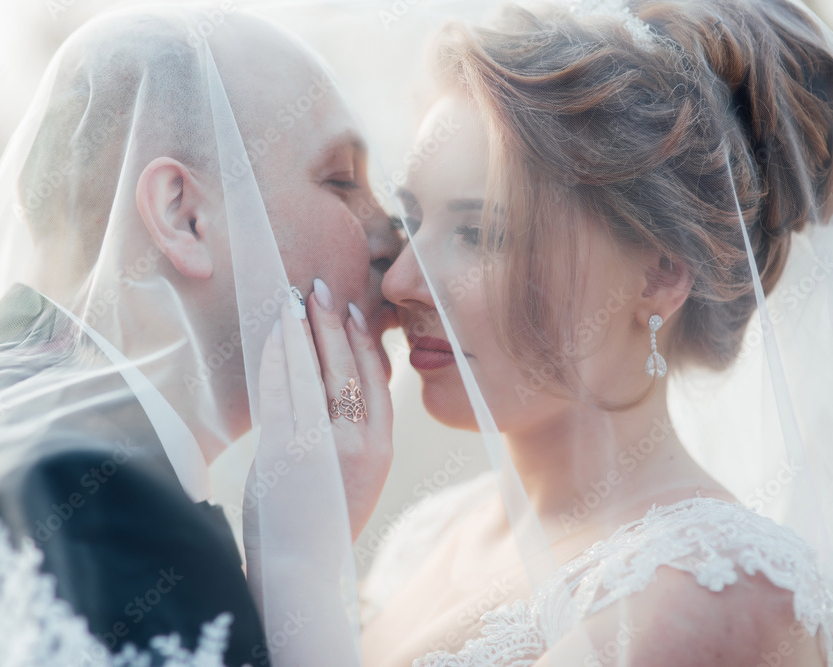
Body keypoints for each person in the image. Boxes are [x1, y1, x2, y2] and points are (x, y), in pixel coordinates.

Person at [247, 0, 833, 664]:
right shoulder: (430, 533)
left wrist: (297, 564)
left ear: (659, 276)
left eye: (480, 232)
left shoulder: (717, 591)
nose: (401, 281)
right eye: (413, 221)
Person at [0, 6, 399, 665]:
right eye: (342, 180)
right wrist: (298, 570)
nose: (390, 241)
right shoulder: (111, 514)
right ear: (183, 216)